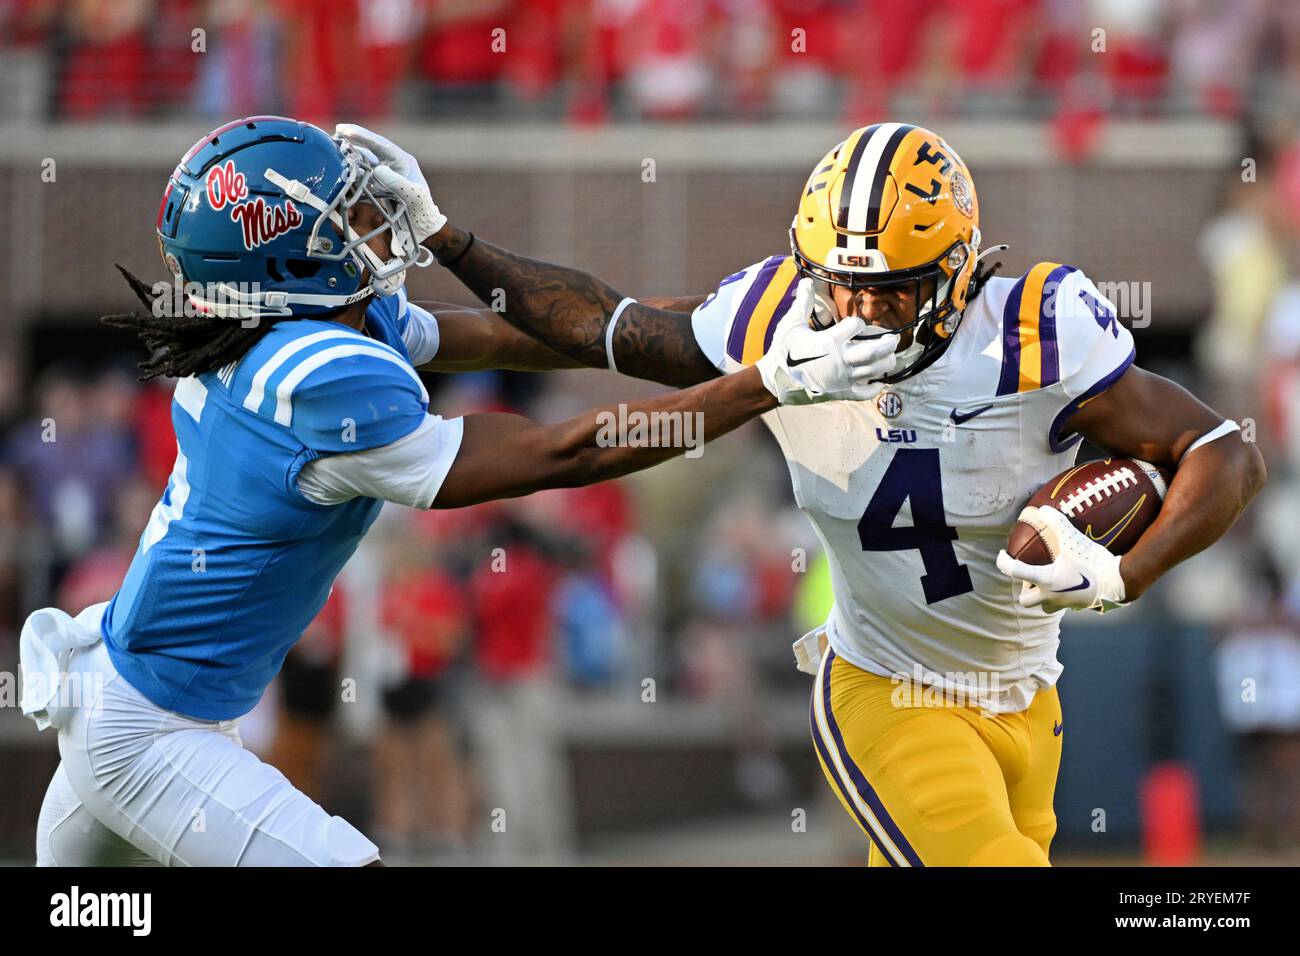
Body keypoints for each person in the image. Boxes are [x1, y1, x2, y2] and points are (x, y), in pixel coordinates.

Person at [24, 115, 894, 867]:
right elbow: (564, 454)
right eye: (345, 217)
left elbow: (526, 337)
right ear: (285, 260)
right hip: (148, 731)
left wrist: (722, 330)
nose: (372, 227)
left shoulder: (285, 324)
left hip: (132, 692)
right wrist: (768, 385)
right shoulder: (316, 371)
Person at [406, 121, 1267, 866]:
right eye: (838, 282)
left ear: (959, 271)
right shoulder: (779, 319)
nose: (857, 310)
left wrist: (1131, 573)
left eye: (891, 289)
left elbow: (1224, 453)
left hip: (1030, 697)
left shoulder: (1035, 333)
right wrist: (439, 280)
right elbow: (606, 327)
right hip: (886, 691)